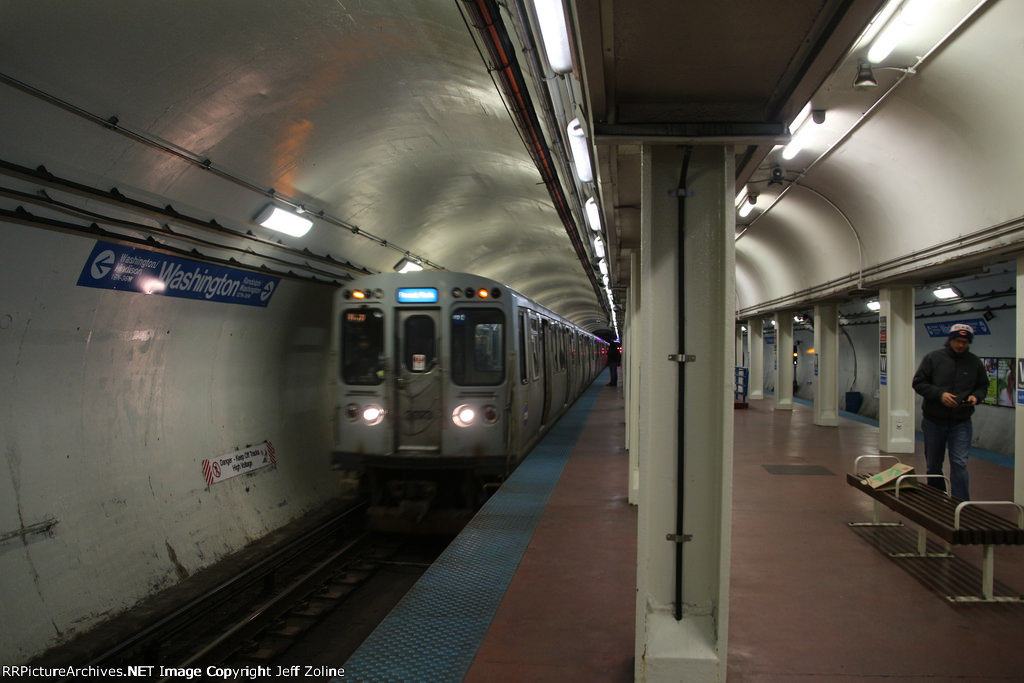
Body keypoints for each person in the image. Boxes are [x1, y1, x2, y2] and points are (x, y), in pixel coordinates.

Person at [911, 323, 989, 500]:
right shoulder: (933, 359)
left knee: (959, 463)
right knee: (933, 465)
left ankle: (961, 504)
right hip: (934, 421)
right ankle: (936, 500)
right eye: (957, 341)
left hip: (961, 422)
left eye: (964, 342)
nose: (960, 345)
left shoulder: (974, 362)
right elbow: (918, 383)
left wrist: (976, 397)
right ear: (950, 340)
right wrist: (940, 395)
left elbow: (983, 386)